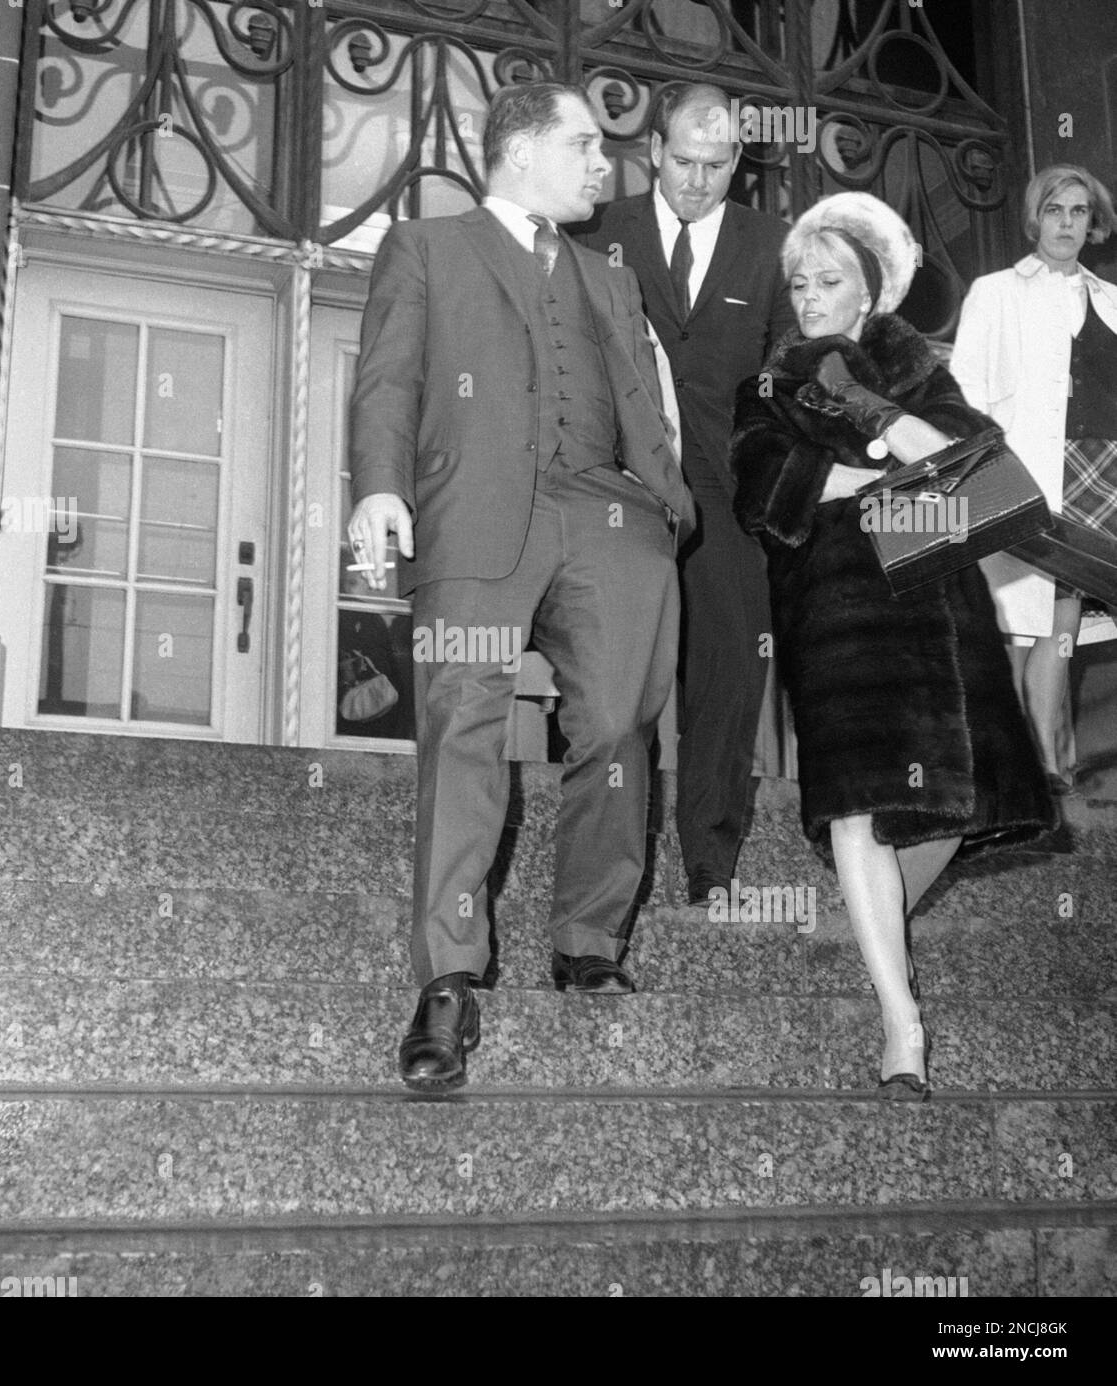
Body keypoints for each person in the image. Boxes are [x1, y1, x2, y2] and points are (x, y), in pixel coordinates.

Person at [347, 82, 694, 1092]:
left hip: (608, 518)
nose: (603, 165)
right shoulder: (425, 248)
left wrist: (666, 506)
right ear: (522, 149)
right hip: (474, 516)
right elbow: (389, 378)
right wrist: (379, 488)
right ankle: (448, 978)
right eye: (584, 144)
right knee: (464, 721)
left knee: (620, 727)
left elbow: (641, 397)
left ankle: (588, 943)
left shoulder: (608, 275)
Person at [730, 192, 1054, 1099]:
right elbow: (765, 489)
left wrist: (866, 408)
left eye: (829, 280)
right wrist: (876, 469)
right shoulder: (767, 386)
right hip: (839, 612)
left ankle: (876, 938)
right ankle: (900, 1021)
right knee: (857, 808)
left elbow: (973, 468)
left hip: (941, 615)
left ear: (870, 293)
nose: (809, 295)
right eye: (799, 282)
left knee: (963, 803)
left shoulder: (915, 370)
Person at [575, 82, 797, 904]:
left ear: (737, 161)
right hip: (620, 486)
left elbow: (789, 379)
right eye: (684, 162)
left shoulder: (775, 247)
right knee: (617, 678)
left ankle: (710, 861)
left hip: (729, 496)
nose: (698, 180)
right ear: (653, 151)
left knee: (728, 674)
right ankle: (607, 857)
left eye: (717, 164)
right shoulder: (597, 231)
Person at [950, 164, 1117, 794]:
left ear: (1093, 223)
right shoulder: (996, 291)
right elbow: (963, 393)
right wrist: (981, 476)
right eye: (1054, 210)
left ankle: (1045, 759)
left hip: (1099, 472)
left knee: (1063, 621)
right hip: (1025, 470)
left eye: (1079, 211)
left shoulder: (1112, 300)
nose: (1066, 223)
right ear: (1034, 218)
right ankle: (1019, 763)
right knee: (1019, 621)